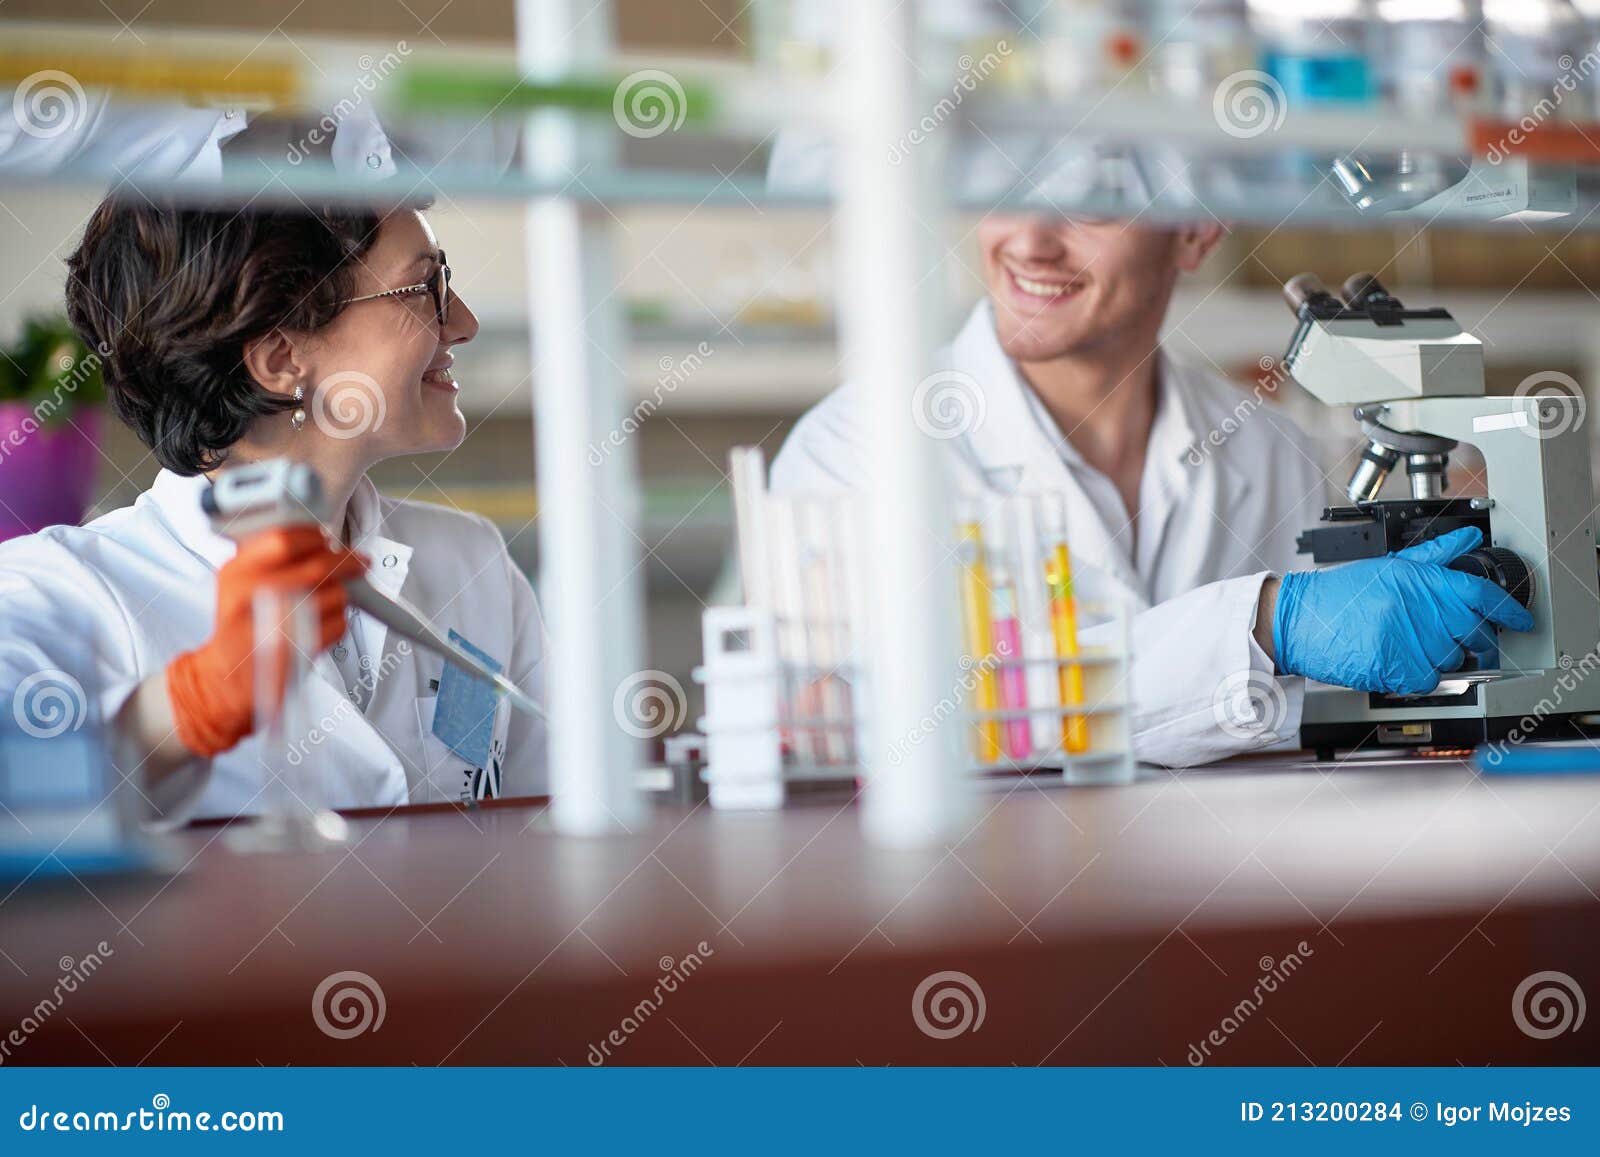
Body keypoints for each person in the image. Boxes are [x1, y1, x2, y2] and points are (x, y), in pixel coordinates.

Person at [770, 215, 1531, 765]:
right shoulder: (859, 449)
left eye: (1092, 203)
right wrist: (1266, 625)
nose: (1031, 242)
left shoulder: (1267, 448)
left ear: (1197, 228)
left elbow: (1335, 712)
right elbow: (885, 722)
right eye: (1005, 190)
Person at [0, 194, 547, 823]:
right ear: (282, 359)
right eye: (423, 288)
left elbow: (560, 819)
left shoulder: (470, 559)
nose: (464, 322)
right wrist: (189, 707)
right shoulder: (52, 592)